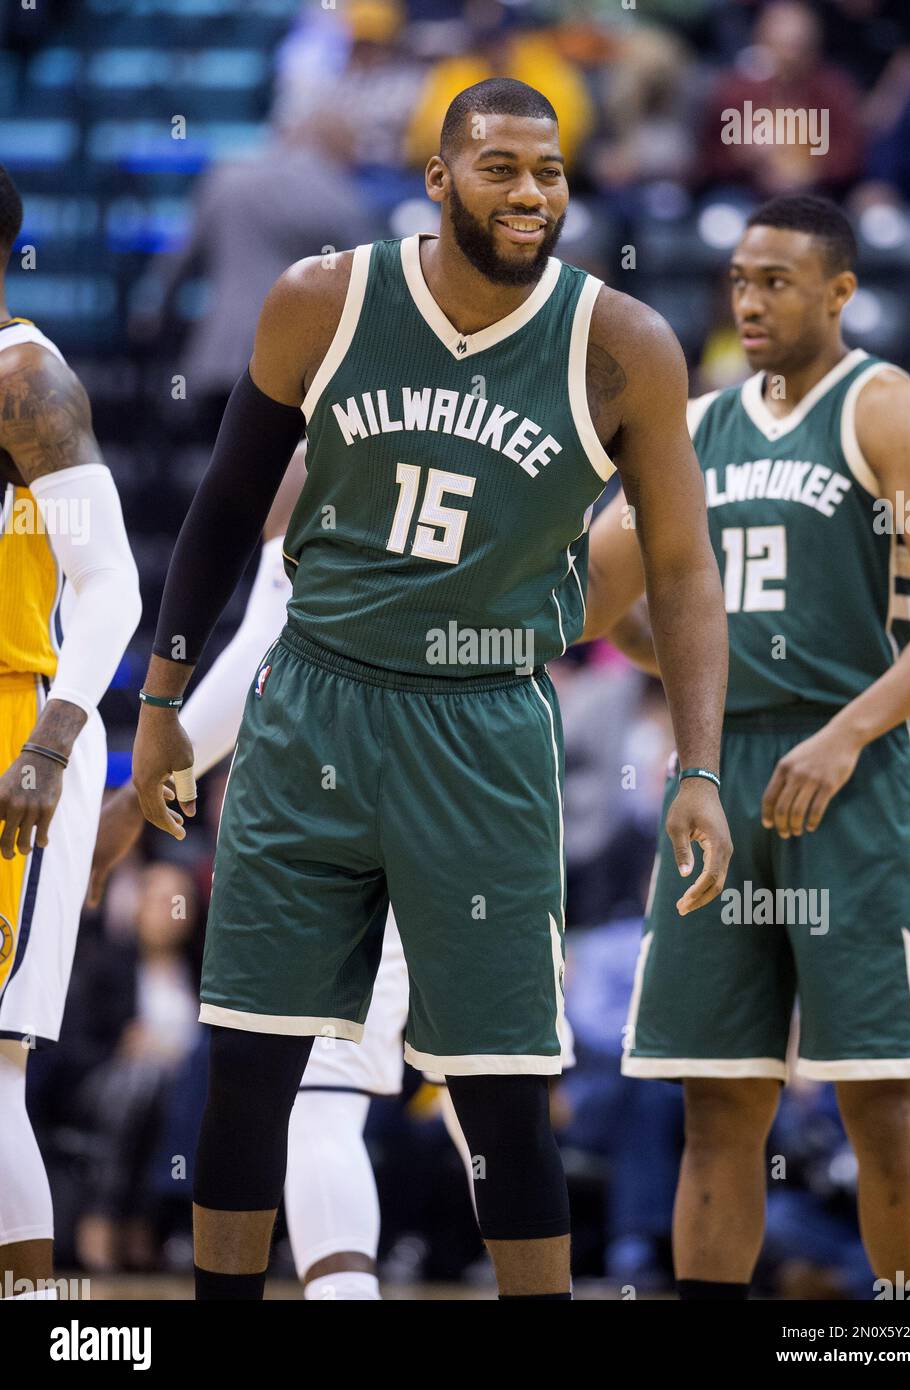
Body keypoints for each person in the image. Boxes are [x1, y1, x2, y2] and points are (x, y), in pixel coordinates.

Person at [131, 77, 730, 1302]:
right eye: (501, 166)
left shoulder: (622, 344)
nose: (531, 192)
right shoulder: (324, 301)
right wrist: (159, 706)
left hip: (485, 724)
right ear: (438, 177)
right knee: (249, 1066)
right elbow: (223, 511)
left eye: (550, 171)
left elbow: (680, 571)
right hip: (316, 706)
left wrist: (701, 766)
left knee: (504, 1088)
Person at [598, 194, 910, 1299]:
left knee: (880, 1091)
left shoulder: (885, 408)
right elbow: (606, 600)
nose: (749, 301)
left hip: (853, 772)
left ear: (840, 291)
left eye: (777, 282)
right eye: (740, 281)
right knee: (715, 1094)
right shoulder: (695, 424)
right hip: (719, 774)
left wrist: (846, 735)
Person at [0, 164, 141, 1299]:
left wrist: (48, 746)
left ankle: (43, 1319)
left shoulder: (27, 378)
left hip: (20, 729)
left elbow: (111, 587)